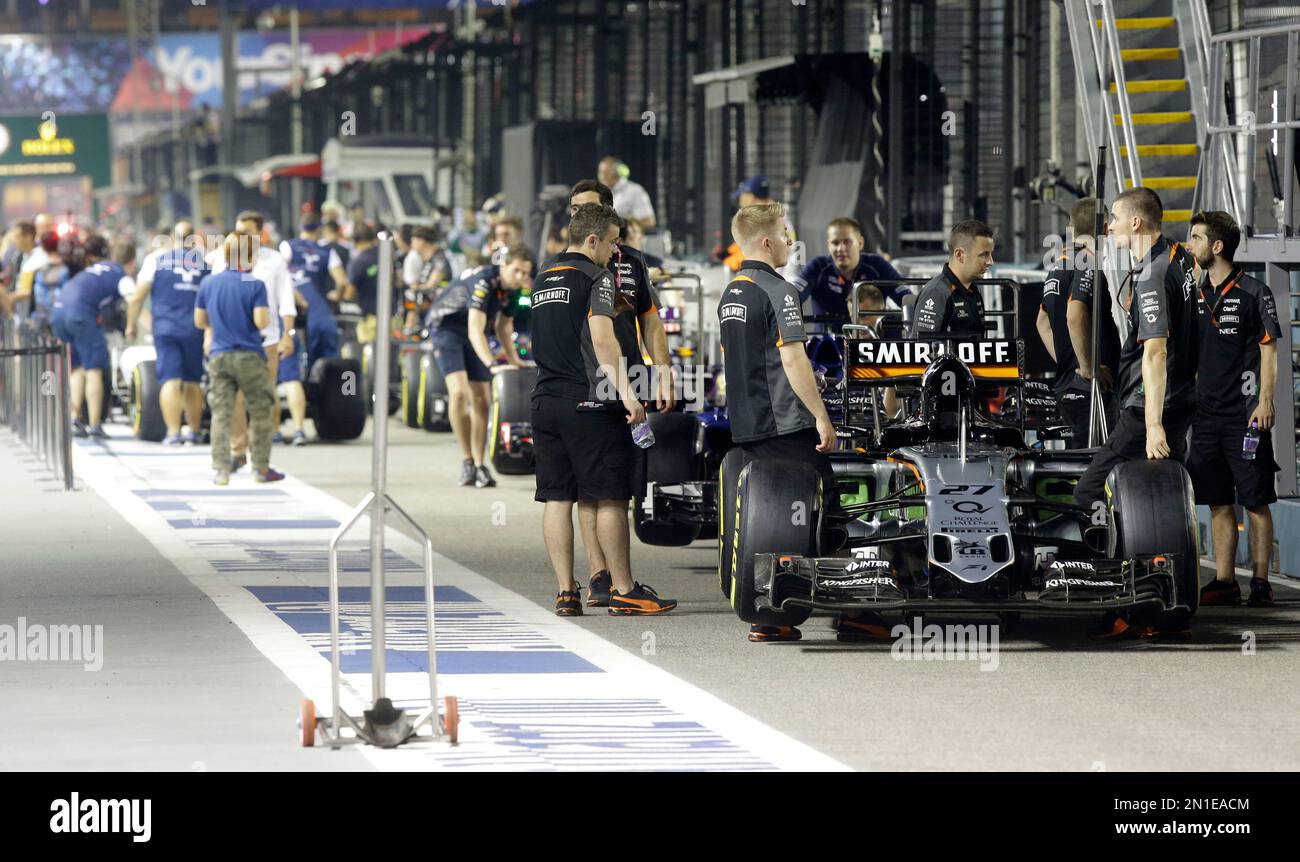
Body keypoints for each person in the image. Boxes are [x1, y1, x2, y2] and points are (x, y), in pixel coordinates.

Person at [529, 202, 676, 617]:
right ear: (592, 239)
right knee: (611, 497)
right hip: (589, 402)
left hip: (544, 401)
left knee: (557, 498)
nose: (616, 252)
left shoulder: (543, 276)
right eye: (612, 242)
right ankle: (625, 589)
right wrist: (629, 393)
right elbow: (603, 340)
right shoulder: (598, 277)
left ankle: (565, 592)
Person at [1072, 187, 1198, 638]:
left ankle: (1118, 601)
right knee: (1158, 501)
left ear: (1137, 225)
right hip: (1181, 398)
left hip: (1149, 405)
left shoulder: (1152, 275)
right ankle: (1162, 606)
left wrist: (1151, 423)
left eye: (1115, 220)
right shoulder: (1182, 258)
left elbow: (1156, 353)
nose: (1108, 227)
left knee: (1088, 493)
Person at [717, 203, 840, 643]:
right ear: (767, 242)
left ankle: (769, 616)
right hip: (785, 425)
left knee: (763, 519)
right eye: (786, 234)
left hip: (747, 424)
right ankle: (850, 613)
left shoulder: (732, 291)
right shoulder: (780, 290)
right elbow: (792, 358)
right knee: (829, 512)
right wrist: (821, 417)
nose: (790, 242)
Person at [1186, 211, 1281, 609]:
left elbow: (1269, 349)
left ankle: (1260, 581)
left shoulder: (1254, 293)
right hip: (1205, 416)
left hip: (1245, 415)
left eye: (1196, 238)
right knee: (1218, 501)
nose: (1190, 244)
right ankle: (1224, 580)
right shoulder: (1193, 292)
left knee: (1256, 499)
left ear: (1217, 246)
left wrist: (1265, 400)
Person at [425, 245, 534, 487]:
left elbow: (504, 327)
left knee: (483, 400)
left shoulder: (514, 291)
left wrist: (514, 359)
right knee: (460, 394)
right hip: (447, 328)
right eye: (516, 271)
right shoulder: (484, 281)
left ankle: (479, 464)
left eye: (525, 273)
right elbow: (475, 327)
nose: (521, 277)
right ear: (504, 265)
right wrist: (492, 364)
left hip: (475, 331)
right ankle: (467, 462)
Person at [210, 211, 296, 472]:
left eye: (246, 231)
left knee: (264, 397)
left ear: (260, 233)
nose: (241, 237)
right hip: (229, 339)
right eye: (238, 231)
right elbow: (212, 298)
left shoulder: (274, 261)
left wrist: (287, 335)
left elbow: (286, 300)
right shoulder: (221, 259)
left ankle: (263, 449)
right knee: (231, 400)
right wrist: (208, 335)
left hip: (267, 341)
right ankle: (238, 449)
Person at [196, 231, 283, 486]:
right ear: (249, 257)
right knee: (260, 411)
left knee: (221, 414)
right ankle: (260, 469)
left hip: (219, 356)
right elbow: (261, 321)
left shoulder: (209, 283)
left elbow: (199, 321)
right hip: (249, 357)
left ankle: (222, 470)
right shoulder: (255, 284)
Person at [1037, 198, 1120, 448]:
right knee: (1096, 466)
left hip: (1067, 384)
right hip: (1089, 388)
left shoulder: (1058, 265)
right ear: (1105, 228)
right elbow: (1074, 315)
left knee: (1076, 461)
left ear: (1071, 226)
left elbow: (1042, 323)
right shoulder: (1087, 263)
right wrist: (1087, 367)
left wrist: (1066, 359)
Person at [127, 221, 210, 444]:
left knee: (171, 380)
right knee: (193, 380)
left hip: (166, 329)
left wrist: (131, 324)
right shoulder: (204, 262)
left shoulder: (156, 259)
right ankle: (193, 432)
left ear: (173, 238)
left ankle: (173, 433)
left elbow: (137, 296)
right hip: (195, 329)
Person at [278, 218, 344, 445]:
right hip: (320, 311)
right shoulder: (328, 251)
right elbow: (341, 282)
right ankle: (340, 400)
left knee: (287, 371)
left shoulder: (287, 246)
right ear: (319, 230)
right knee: (333, 367)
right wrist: (337, 297)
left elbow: (280, 274)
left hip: (290, 311)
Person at [50, 235, 121, 439]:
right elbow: (131, 297)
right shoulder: (116, 272)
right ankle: (95, 425)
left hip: (59, 313)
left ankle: (75, 418)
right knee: (94, 369)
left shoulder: (82, 273)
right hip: (81, 316)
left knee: (77, 368)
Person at [793, 217, 905, 325]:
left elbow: (906, 298)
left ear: (860, 243)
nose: (841, 249)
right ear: (828, 245)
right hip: (827, 342)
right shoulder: (817, 267)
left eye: (847, 242)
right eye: (835, 243)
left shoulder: (877, 265)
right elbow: (791, 298)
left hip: (870, 340)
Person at [909, 220, 994, 338]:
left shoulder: (973, 289)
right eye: (984, 254)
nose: (991, 261)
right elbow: (921, 350)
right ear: (959, 255)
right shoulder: (937, 292)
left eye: (990, 254)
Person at [598, 156, 656, 231]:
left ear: (617, 172)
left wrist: (623, 222)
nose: (601, 176)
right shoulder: (600, 192)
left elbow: (649, 222)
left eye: (605, 172)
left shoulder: (635, 191)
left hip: (627, 241)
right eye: (600, 173)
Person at [346, 223, 382, 343]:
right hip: (393, 318)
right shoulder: (386, 255)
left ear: (355, 240)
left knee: (370, 357)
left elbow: (349, 293)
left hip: (370, 320)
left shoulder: (358, 262)